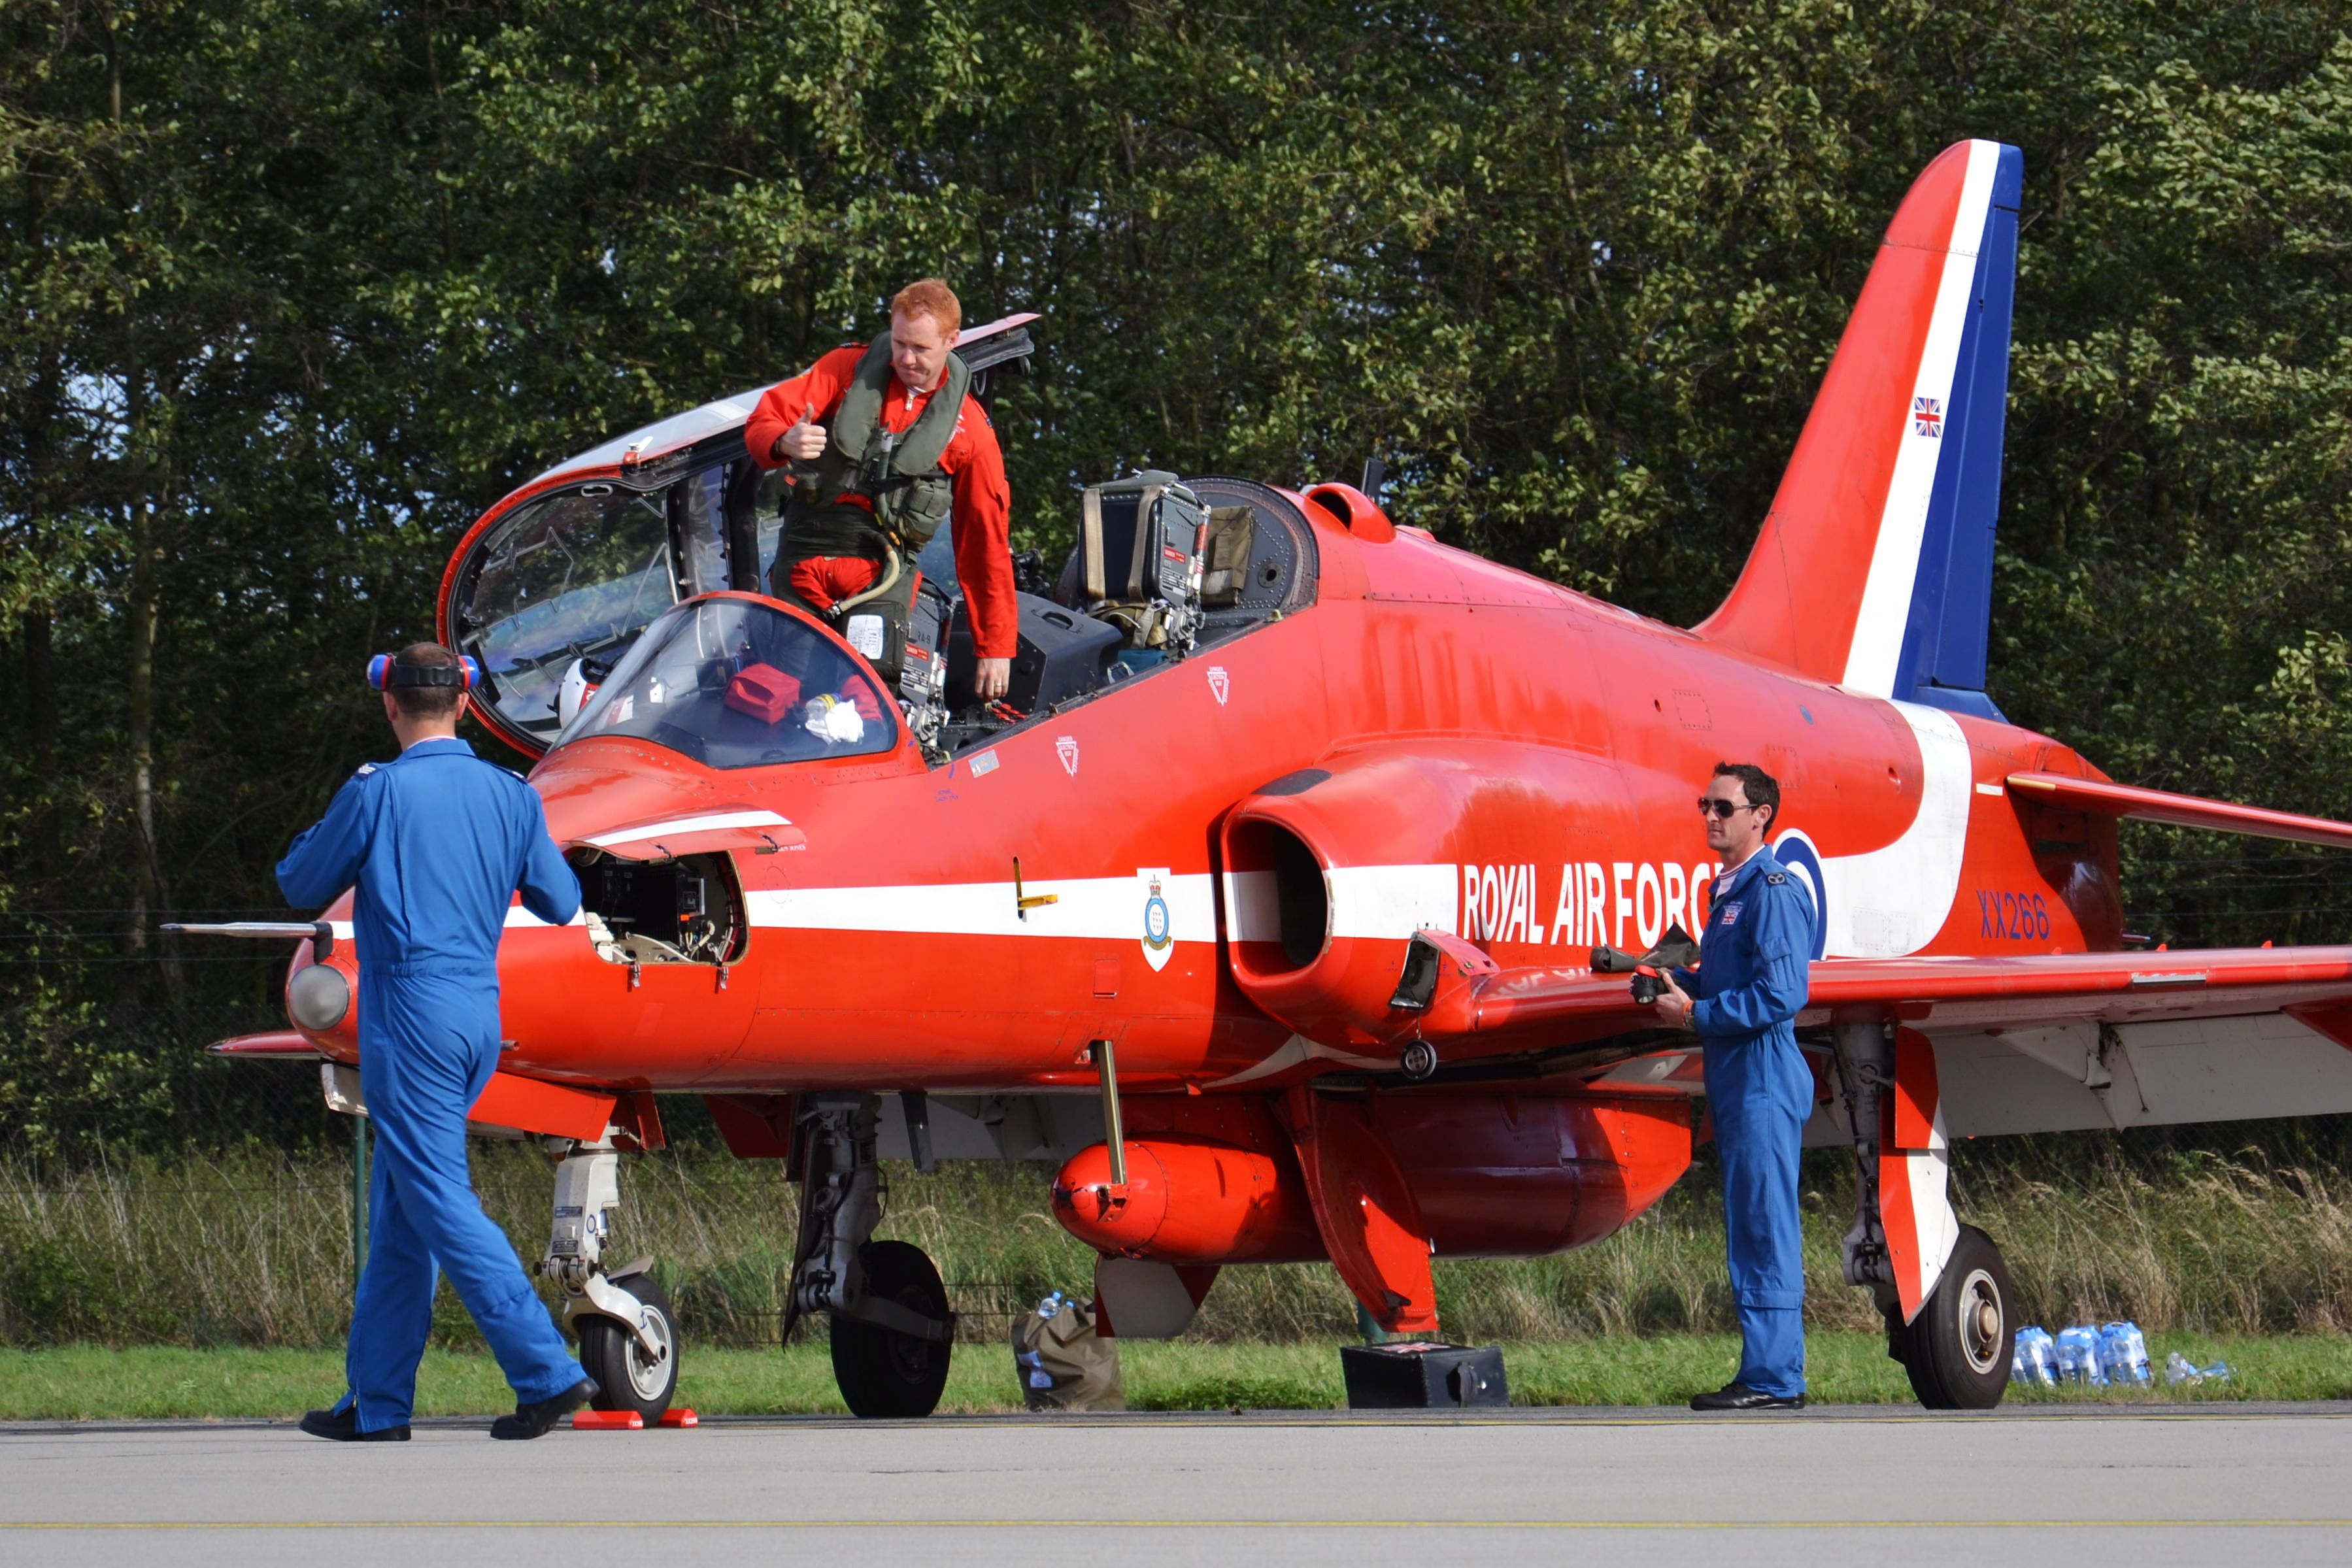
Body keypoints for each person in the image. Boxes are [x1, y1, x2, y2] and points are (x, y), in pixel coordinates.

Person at [277, 642, 597, 1441]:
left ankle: (545, 1371)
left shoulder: (377, 791)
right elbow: (561, 902)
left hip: (410, 1014)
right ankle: (377, 1403)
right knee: (403, 1203)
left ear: (390, 705)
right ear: (464, 704)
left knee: (439, 1198)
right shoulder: (511, 795)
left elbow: (299, 881)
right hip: (477, 1015)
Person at [745, 278, 1015, 701]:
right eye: (900, 343)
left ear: (951, 341)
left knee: (868, 704)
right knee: (774, 696)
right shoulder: (844, 369)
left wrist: (995, 645)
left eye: (921, 349)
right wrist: (784, 440)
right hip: (804, 559)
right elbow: (766, 416)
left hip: (881, 573)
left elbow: (985, 544)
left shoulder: (972, 432)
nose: (907, 359)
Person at [1652, 761, 1817, 1411]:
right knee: (1751, 1221)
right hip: (1740, 1076)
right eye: (1705, 805)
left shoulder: (1770, 889)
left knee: (1763, 1223)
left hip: (1763, 1075)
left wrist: (1693, 1014)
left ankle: (1775, 1377)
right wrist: (1674, 984)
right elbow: (1731, 985)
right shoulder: (1730, 892)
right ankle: (1767, 1369)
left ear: (1760, 815)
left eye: (1723, 806)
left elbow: (1782, 993)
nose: (1711, 817)